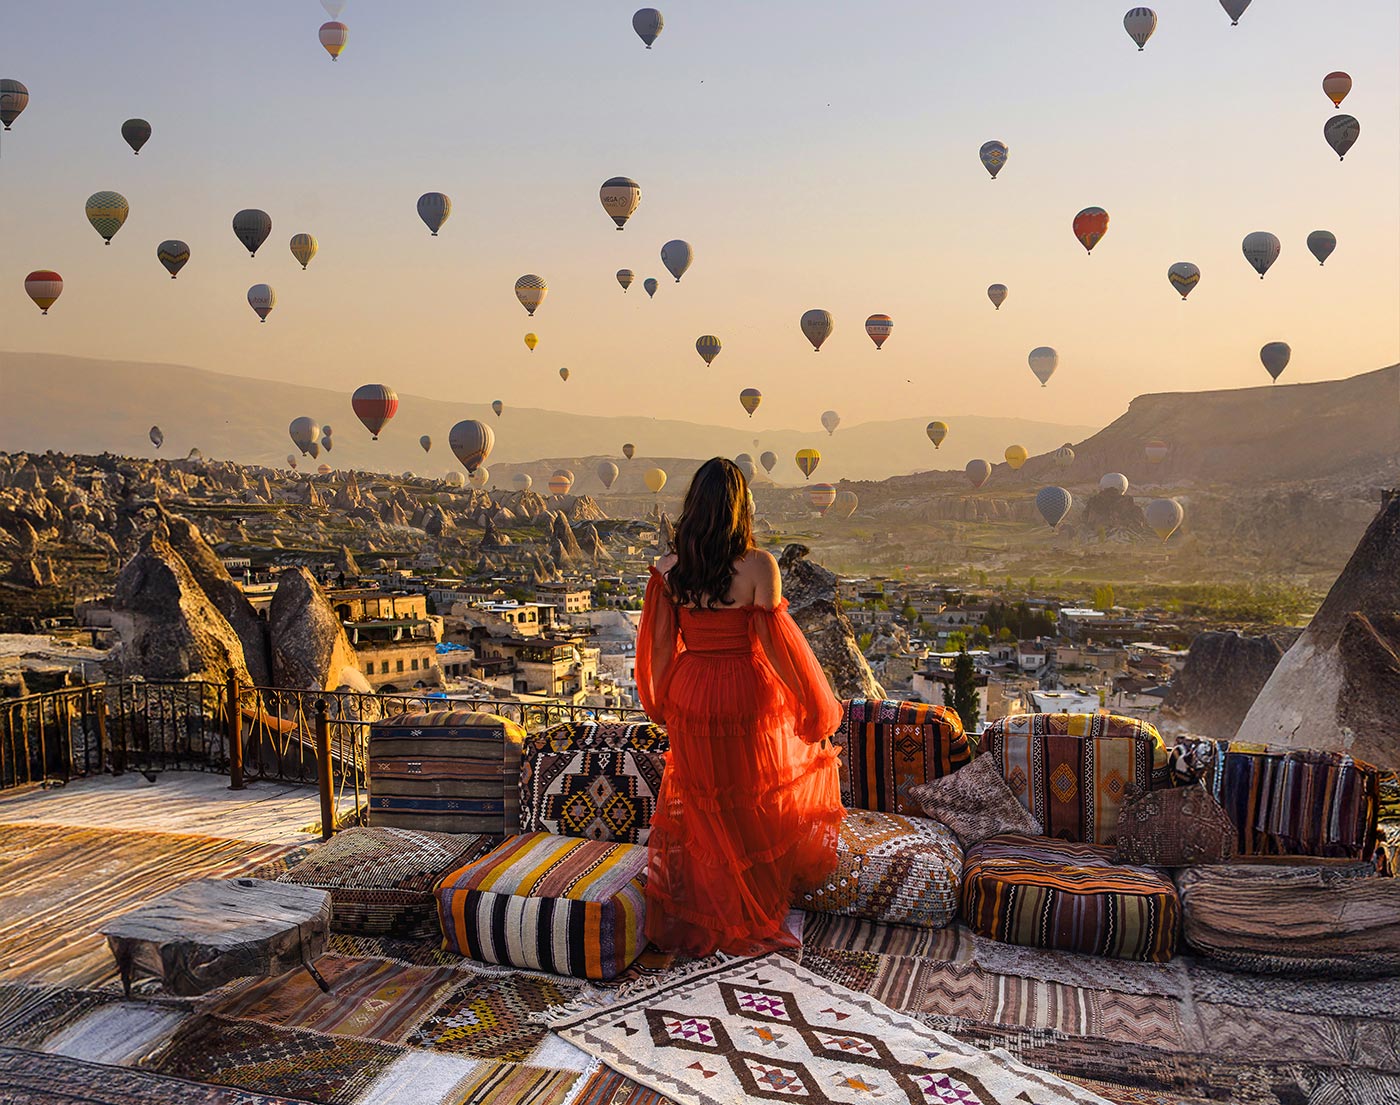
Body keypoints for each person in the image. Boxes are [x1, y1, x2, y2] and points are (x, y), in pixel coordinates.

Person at [637, 457, 844, 956]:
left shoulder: (667, 570)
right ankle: (750, 910)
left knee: (706, 806)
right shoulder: (758, 566)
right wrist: (810, 703)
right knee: (751, 801)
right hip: (747, 694)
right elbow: (777, 646)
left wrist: (660, 699)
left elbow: (660, 647)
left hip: (690, 692)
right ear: (739, 508)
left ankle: (713, 910)